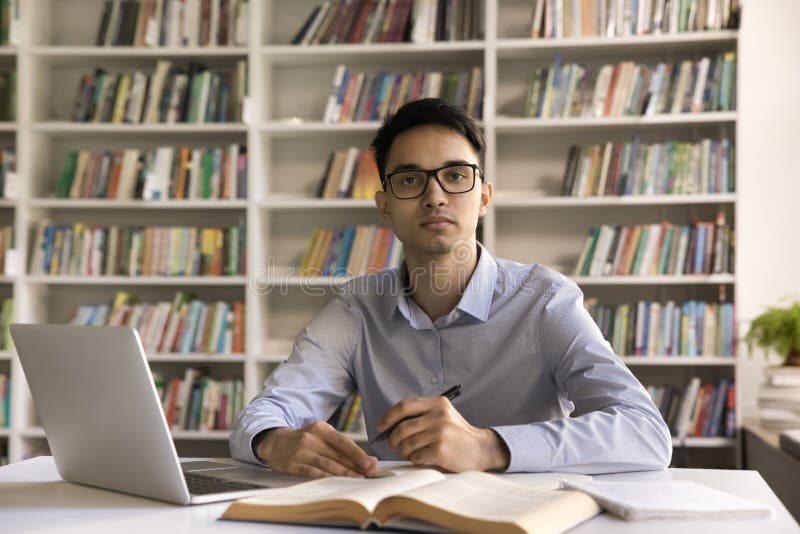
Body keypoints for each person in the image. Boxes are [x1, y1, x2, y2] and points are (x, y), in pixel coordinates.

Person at [230, 98, 672, 479]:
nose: (435, 196)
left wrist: (488, 446)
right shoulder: (356, 309)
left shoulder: (545, 301)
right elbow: (266, 413)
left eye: (456, 176)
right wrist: (274, 442)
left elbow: (644, 432)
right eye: (410, 180)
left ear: (483, 196)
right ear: (384, 205)